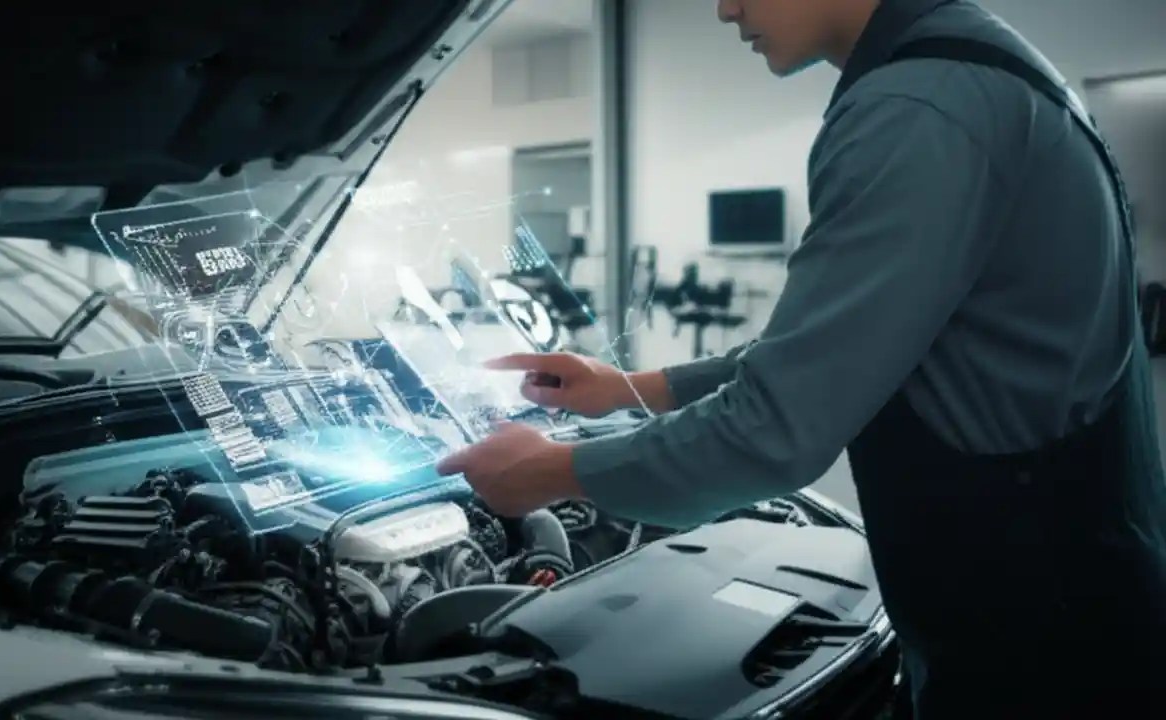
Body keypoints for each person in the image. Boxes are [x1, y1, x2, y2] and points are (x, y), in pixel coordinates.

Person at [436, 0, 1166, 717]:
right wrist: (630, 388)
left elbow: (774, 428)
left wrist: (549, 474)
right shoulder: (976, 70)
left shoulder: (917, 108)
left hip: (1039, 648)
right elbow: (848, 348)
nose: (724, 10)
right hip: (1063, 601)